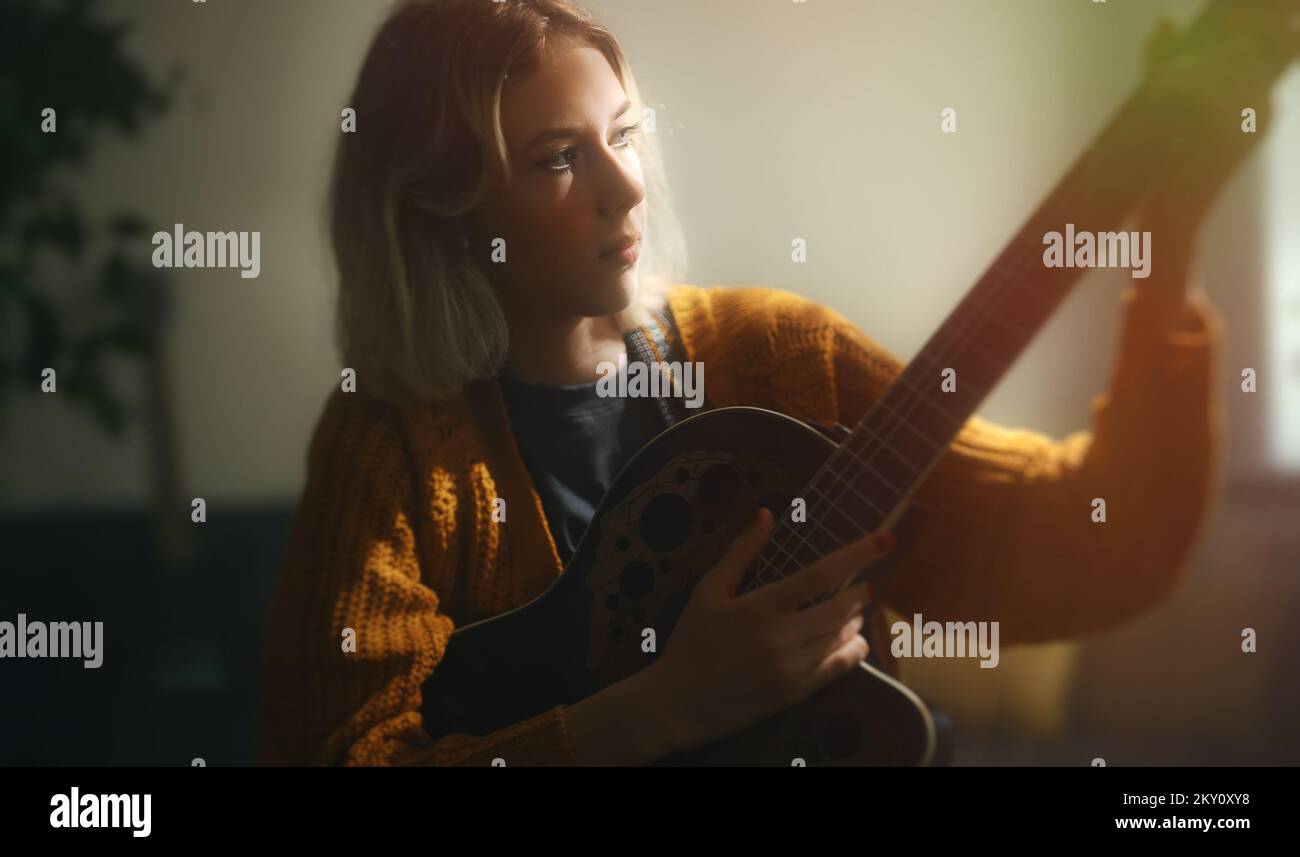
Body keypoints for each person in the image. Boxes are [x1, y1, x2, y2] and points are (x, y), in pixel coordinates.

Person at [255, 0, 1224, 766]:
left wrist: (1172, 239)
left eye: (624, 134)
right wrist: (657, 710)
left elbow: (1106, 548)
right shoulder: (390, 442)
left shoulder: (779, 355)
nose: (625, 186)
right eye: (558, 157)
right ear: (444, 207)